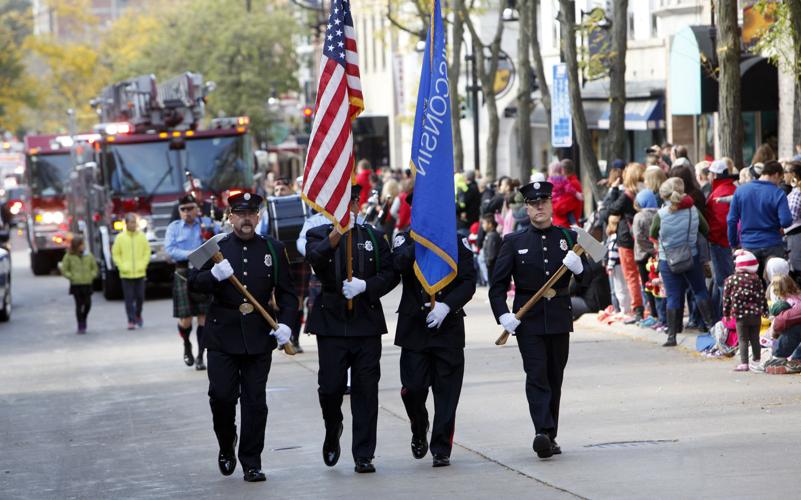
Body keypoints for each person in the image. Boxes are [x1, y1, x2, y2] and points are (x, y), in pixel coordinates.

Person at [188, 191, 296, 482]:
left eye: (251, 214)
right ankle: (226, 444)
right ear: (231, 217)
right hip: (222, 335)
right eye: (240, 214)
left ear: (258, 217)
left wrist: (286, 324)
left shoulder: (273, 248)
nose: (246, 219)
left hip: (259, 337)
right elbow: (192, 284)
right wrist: (214, 276)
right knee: (221, 397)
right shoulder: (215, 248)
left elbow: (287, 293)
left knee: (254, 403)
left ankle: (252, 461)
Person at [489, 181, 589, 459]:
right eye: (534, 203)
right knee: (536, 375)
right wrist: (503, 315)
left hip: (558, 316)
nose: (540, 207)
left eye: (544, 201)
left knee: (554, 376)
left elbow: (590, 276)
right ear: (527, 208)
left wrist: (580, 268)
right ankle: (542, 432)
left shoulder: (570, 238)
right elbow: (497, 286)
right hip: (527, 319)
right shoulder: (513, 242)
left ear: (552, 204)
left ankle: (551, 434)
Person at [304, 185, 397, 473]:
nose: (350, 206)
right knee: (330, 389)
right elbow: (315, 258)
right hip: (331, 323)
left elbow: (391, 272)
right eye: (343, 202)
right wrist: (337, 233)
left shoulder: (373, 236)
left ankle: (364, 454)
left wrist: (367, 286)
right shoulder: (318, 234)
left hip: (366, 323)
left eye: (353, 201)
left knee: (366, 391)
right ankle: (333, 429)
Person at [391, 213, 476, 467]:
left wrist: (447, 306)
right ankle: (419, 424)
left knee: (447, 393)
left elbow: (469, 282)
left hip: (447, 327)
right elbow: (398, 266)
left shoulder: (457, 242)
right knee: (413, 389)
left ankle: (441, 447)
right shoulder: (403, 239)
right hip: (414, 329)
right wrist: (420, 241)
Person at [650, 178, 717, 347]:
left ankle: (672, 335)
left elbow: (652, 234)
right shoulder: (693, 211)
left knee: (673, 296)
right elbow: (706, 229)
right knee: (700, 290)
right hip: (691, 257)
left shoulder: (661, 214)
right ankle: (713, 328)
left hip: (668, 260)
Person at [165, 194, 217, 370]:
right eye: (183, 209)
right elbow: (170, 249)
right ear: (179, 211)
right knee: (185, 319)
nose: (186, 212)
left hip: (202, 271)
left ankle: (201, 356)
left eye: (190, 208)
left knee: (203, 317)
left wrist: (211, 232)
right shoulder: (174, 227)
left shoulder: (206, 223)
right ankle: (187, 344)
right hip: (183, 273)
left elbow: (222, 236)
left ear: (196, 209)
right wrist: (191, 253)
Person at [727, 160, 792, 277]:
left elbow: (732, 220)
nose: (779, 182)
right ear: (776, 174)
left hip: (749, 245)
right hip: (773, 244)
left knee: (749, 286)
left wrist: (733, 243)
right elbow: (786, 221)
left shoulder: (741, 191)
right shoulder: (778, 193)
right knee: (776, 286)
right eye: (780, 179)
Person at [607, 164, 645, 322]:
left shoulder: (627, 195)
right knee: (645, 275)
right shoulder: (646, 192)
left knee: (631, 276)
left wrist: (614, 190)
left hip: (626, 239)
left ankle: (637, 309)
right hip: (643, 238)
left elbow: (612, 209)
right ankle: (650, 307)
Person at [722, 250, 768, 372]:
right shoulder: (757, 279)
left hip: (740, 316)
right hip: (756, 315)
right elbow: (762, 296)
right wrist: (765, 311)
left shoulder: (731, 280)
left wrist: (726, 314)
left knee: (742, 339)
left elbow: (726, 299)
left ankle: (744, 363)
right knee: (755, 338)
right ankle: (757, 360)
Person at [706, 159, 737, 320]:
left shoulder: (719, 193)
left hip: (721, 243)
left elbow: (721, 223)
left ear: (715, 175)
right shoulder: (732, 188)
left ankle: (723, 320)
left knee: (723, 283)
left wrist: (713, 239)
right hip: (728, 242)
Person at [111, 213, 151, 330]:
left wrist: (143, 264)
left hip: (140, 272)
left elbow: (147, 252)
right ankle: (131, 320)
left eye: (135, 222)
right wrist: (122, 266)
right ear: (126, 224)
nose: (133, 225)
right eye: (131, 222)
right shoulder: (120, 238)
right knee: (129, 299)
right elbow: (116, 254)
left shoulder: (142, 236)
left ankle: (138, 314)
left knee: (140, 297)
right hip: (126, 274)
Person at [60, 236, 98, 334]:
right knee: (79, 304)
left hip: (87, 283)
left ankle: (84, 317)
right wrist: (71, 276)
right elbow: (64, 269)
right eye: (81, 245)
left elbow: (94, 267)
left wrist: (92, 275)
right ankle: (80, 323)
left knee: (88, 304)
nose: (82, 246)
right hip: (76, 284)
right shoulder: (69, 256)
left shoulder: (88, 255)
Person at [783, 161, 801, 282]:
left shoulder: (797, 192)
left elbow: (791, 216)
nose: (783, 175)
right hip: (795, 235)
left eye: (785, 172)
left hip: (796, 235)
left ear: (793, 174)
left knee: (797, 268)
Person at [481, 215, 501, 282]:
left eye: (484, 223)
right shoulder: (490, 234)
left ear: (490, 224)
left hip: (492, 266)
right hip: (492, 265)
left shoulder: (492, 236)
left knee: (492, 284)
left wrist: (488, 262)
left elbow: (491, 253)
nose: (482, 225)